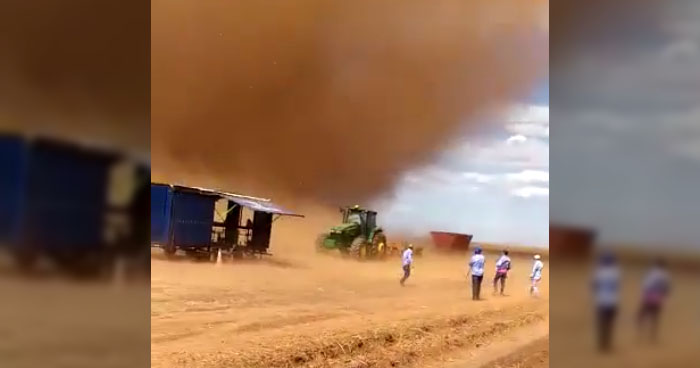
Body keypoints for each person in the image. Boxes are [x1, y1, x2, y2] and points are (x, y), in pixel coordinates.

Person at [592, 252, 620, 353]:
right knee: (610, 325)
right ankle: (608, 344)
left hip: (601, 301)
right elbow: (617, 285)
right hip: (613, 301)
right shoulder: (616, 272)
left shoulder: (599, 272)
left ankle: (601, 344)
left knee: (601, 324)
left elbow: (594, 285)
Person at [637, 258, 670, 343]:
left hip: (649, 296)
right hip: (658, 298)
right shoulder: (665, 275)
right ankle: (652, 336)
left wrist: (643, 295)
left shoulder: (651, 272)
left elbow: (645, 285)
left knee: (641, 315)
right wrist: (664, 296)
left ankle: (639, 333)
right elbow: (667, 288)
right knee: (655, 318)